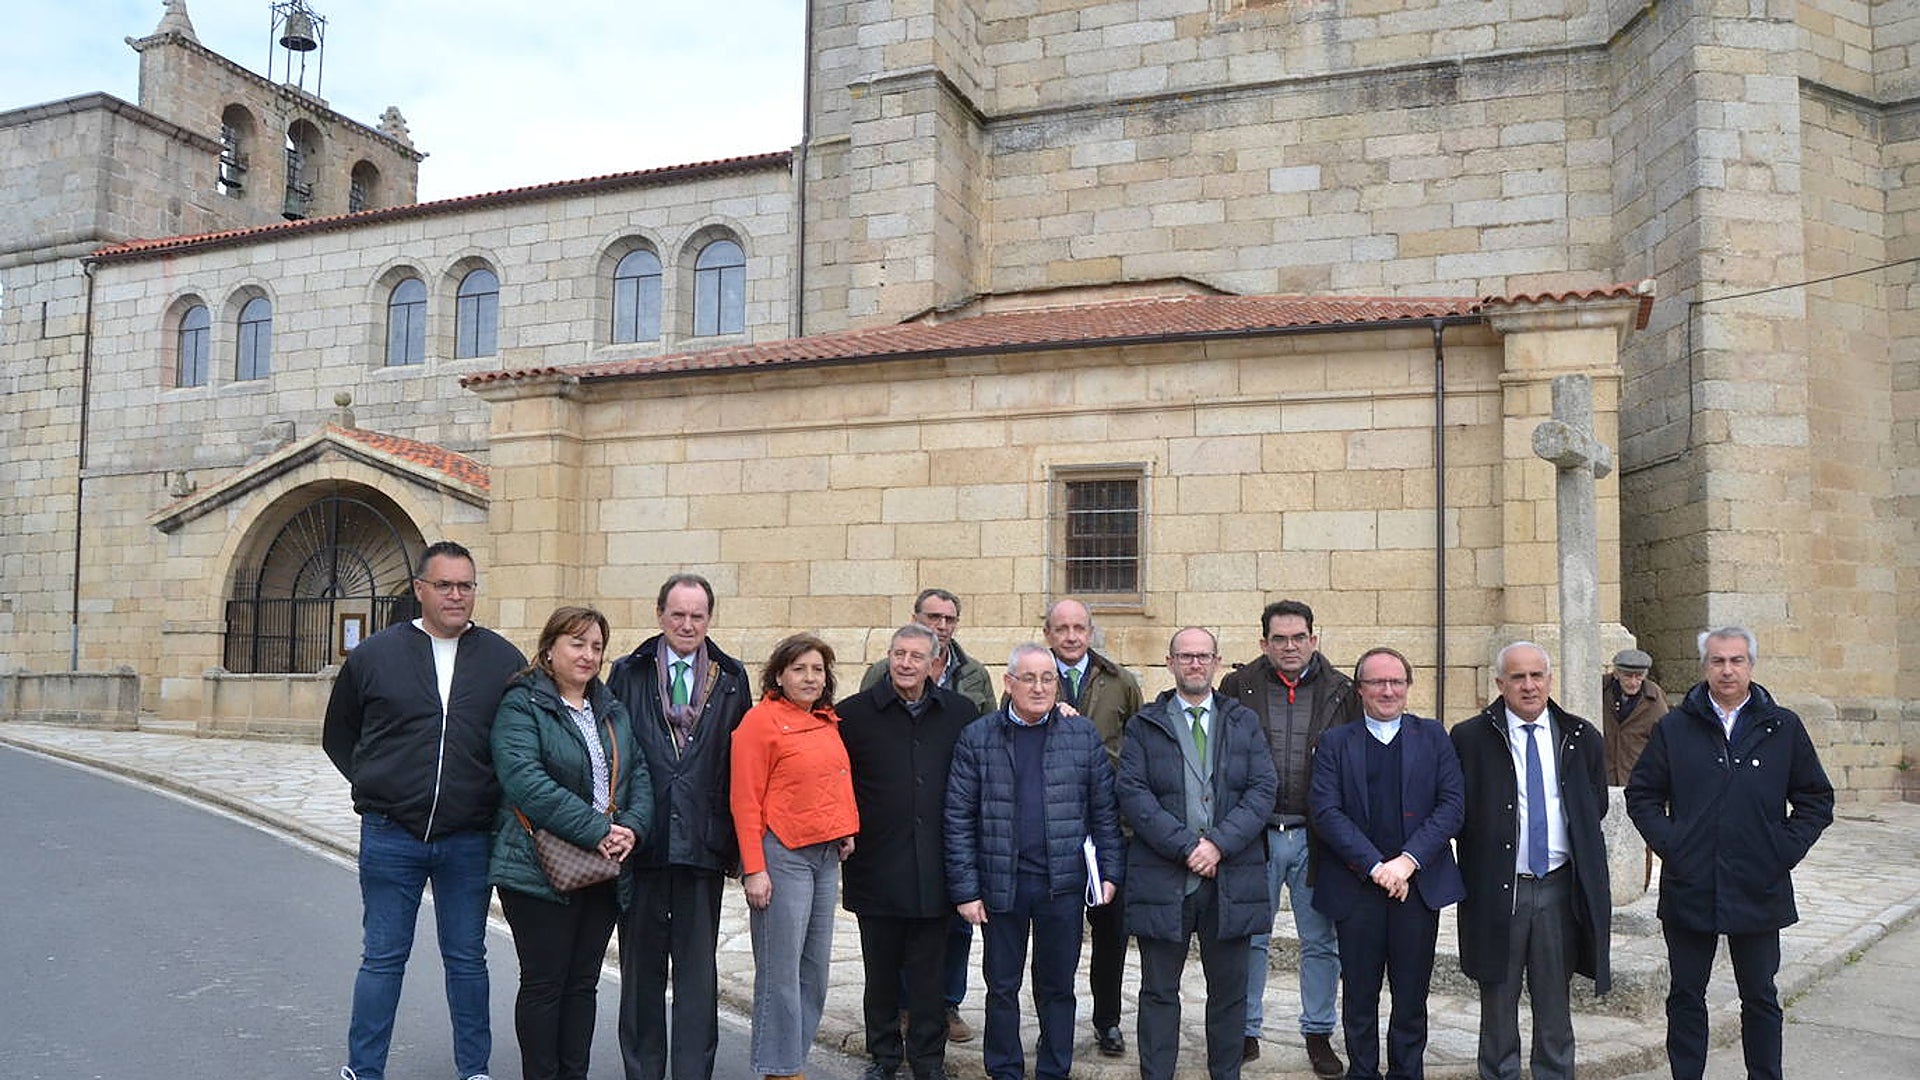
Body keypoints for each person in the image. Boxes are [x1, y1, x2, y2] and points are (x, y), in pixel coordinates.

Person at [322, 540, 526, 1080]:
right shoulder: (374, 655)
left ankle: (474, 1070)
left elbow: (517, 740)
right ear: (419, 589)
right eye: (444, 585)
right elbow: (339, 735)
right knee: (383, 958)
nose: (456, 595)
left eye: (466, 586)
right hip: (392, 834)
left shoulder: (503, 660)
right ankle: (363, 1070)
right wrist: (380, 786)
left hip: (468, 838)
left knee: (468, 960)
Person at [1626, 627, 1834, 1080]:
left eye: (1736, 660)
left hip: (1758, 885)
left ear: (1750, 665)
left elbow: (1816, 798)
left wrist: (1782, 850)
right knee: (1686, 995)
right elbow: (1642, 795)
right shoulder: (1675, 727)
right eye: (1718, 661)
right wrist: (1674, 846)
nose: (1727, 670)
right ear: (1705, 666)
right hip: (1691, 884)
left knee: (1760, 995)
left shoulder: (1782, 727)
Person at [945, 642, 1123, 1080]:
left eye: (1047, 679)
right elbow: (958, 817)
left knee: (1058, 986)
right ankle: (1004, 1070)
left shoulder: (1080, 735)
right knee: (1002, 985)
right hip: (1001, 883)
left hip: (1062, 884)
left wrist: (1110, 872)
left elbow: (1104, 811)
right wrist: (966, 890)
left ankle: (1054, 1069)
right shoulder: (978, 737)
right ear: (1009, 683)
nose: (1039, 687)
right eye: (1028, 678)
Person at [489, 606, 651, 1080]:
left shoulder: (610, 708)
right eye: (577, 644)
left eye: (597, 646)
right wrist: (599, 830)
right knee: (545, 984)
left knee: (582, 984)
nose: (588, 655)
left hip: (603, 867)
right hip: (539, 866)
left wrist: (632, 828)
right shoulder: (522, 705)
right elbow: (526, 781)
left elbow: (638, 773)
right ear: (549, 649)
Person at [607, 573, 753, 1080]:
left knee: (697, 975)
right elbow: (613, 753)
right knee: (640, 973)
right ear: (660, 615)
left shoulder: (732, 677)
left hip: (702, 844)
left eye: (697, 616)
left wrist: (738, 845)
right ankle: (643, 1071)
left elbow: (739, 763)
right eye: (678, 614)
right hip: (642, 842)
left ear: (709, 618)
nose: (687, 625)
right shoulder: (628, 671)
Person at [1117, 628, 1277, 1080]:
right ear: (1170, 662)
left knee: (1229, 992)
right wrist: (1187, 846)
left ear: (1217, 662)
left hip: (1231, 878)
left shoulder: (1243, 721)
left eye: (1203, 656)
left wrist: (1219, 844)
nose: (1195, 664)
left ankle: (1225, 1073)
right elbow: (1133, 793)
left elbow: (1263, 789)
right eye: (1185, 656)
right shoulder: (1145, 724)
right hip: (1164, 878)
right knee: (1158, 990)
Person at [1451, 642, 1610, 1080]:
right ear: (1500, 684)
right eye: (1517, 677)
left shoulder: (1580, 736)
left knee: (1555, 1002)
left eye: (1536, 675)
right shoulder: (1469, 738)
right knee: (1498, 1004)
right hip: (1499, 888)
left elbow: (1594, 805)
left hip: (1558, 887)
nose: (1528, 685)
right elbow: (1458, 810)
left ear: (1549, 680)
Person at [1309, 646, 1465, 1080]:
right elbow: (1326, 812)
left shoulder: (1433, 736)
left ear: (1408, 687)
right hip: (1356, 887)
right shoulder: (1336, 743)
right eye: (1377, 682)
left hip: (1417, 887)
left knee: (1411, 996)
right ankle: (1362, 1071)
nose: (1388, 690)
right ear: (1360, 689)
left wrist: (1407, 862)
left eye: (1396, 681)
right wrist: (1377, 867)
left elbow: (1452, 806)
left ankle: (1406, 1072)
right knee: (1359, 996)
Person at [839, 623, 981, 1080]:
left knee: (928, 978)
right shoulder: (853, 715)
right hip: (876, 865)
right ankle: (883, 1056)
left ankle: (927, 1061)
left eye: (916, 656)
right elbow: (834, 779)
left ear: (934, 663)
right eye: (899, 654)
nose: (905, 663)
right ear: (889, 656)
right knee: (880, 974)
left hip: (936, 868)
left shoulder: (959, 713)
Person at [859, 587, 996, 1042]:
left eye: (949, 618)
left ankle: (943, 1012)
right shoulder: (878, 680)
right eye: (933, 617)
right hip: (892, 830)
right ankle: (898, 1018)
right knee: (892, 937)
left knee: (950, 932)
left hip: (948, 825)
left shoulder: (971, 681)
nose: (942, 625)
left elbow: (987, 737)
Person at [1219, 599, 1348, 1074]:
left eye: (1298, 638)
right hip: (1255, 833)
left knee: (1320, 940)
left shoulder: (1341, 690)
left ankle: (1318, 1032)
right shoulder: (1237, 687)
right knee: (1252, 937)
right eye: (1280, 639)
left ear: (1314, 639)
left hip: (1316, 836)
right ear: (1264, 643)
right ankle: (1245, 1030)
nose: (1290, 646)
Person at [731, 632, 861, 1080]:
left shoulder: (825, 720)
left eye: (817, 670)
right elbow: (745, 800)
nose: (810, 678)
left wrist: (846, 828)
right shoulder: (759, 722)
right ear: (779, 675)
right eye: (799, 669)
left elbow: (831, 778)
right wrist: (754, 869)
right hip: (782, 855)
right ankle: (779, 1069)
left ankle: (793, 1061)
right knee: (780, 971)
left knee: (814, 971)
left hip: (824, 856)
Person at [1043, 598, 1143, 1057]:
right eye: (1061, 628)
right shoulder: (1032, 677)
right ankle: (1053, 1023)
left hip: (1109, 831)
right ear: (1048, 633)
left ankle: (1108, 1021)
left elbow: (1138, 748)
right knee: (1055, 939)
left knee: (1111, 936)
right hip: (1053, 830)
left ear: (1090, 631)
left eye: (1078, 627)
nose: (1070, 636)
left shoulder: (1121, 682)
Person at [1601, 647, 1668, 787]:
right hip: (1605, 775)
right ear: (1616, 674)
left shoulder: (1654, 697)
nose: (1633, 682)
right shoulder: (1601, 689)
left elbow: (1665, 738)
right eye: (1627, 676)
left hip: (1638, 776)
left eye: (1639, 676)